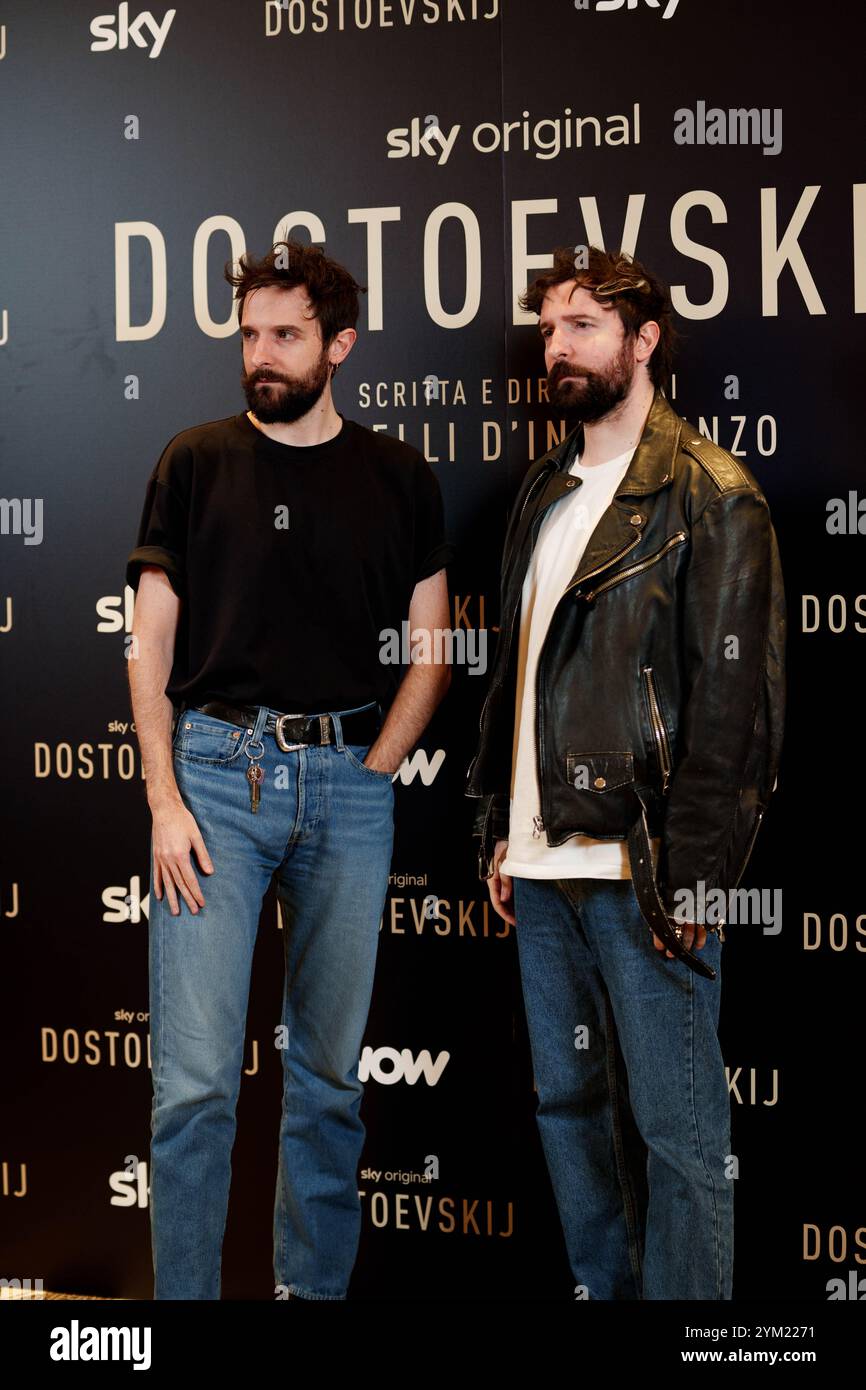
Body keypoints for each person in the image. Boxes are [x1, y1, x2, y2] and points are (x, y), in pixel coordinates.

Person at [126, 238, 454, 1300]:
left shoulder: (398, 476)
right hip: (213, 782)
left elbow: (432, 645)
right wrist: (165, 799)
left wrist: (375, 767)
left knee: (327, 1083)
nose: (258, 356)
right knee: (194, 1087)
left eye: (284, 335)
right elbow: (148, 643)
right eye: (248, 335)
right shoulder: (194, 460)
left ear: (339, 345)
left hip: (346, 784)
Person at [466, 245, 785, 1300]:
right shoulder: (542, 490)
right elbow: (518, 677)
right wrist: (501, 831)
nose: (556, 347)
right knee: (570, 1115)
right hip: (541, 867)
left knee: (680, 1137)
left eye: (582, 326)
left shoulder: (711, 492)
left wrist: (691, 877)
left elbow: (735, 714)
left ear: (643, 342)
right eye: (548, 329)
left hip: (641, 869)